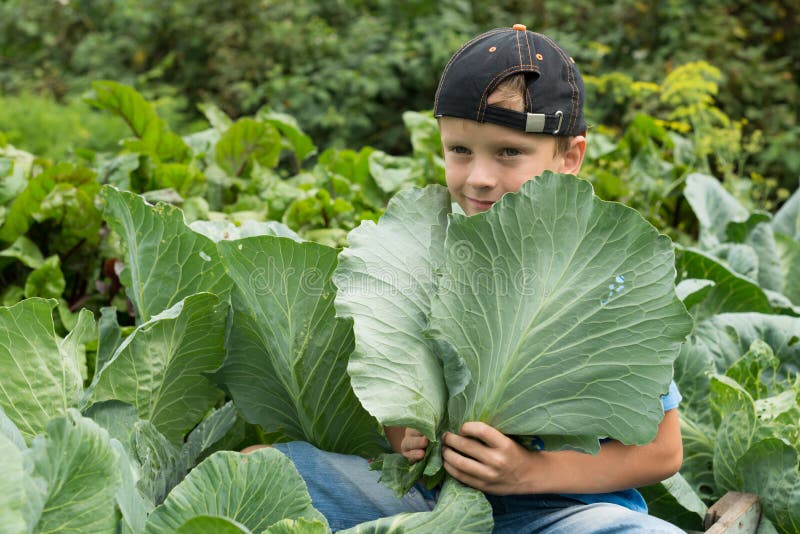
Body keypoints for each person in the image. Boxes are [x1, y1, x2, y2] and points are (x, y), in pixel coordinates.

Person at [245, 25, 685, 533]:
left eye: (508, 153)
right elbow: (394, 381)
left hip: (563, 515)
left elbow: (662, 452)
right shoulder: (422, 255)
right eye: (460, 150)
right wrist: (405, 434)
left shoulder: (609, 279)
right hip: (426, 505)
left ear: (570, 157)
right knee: (262, 470)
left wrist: (528, 473)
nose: (478, 176)